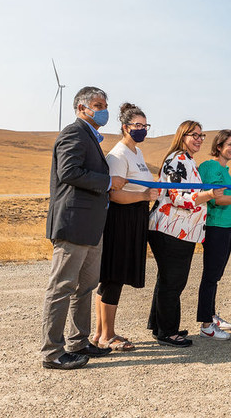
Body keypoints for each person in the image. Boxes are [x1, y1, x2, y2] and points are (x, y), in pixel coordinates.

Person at [40, 86, 125, 370]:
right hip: (74, 224)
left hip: (91, 226)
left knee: (86, 286)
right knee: (62, 287)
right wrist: (109, 182)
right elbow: (69, 172)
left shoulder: (91, 137)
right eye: (98, 104)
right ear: (81, 108)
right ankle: (52, 352)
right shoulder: (73, 133)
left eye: (105, 104)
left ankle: (79, 342)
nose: (104, 110)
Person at [147, 121, 224, 347]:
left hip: (179, 230)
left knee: (167, 279)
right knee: (173, 281)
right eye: (194, 135)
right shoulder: (178, 159)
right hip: (171, 228)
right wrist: (208, 194)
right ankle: (168, 333)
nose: (199, 139)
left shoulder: (188, 160)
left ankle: (160, 326)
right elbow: (178, 197)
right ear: (182, 136)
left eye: (202, 135)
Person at [92, 103, 159, 351]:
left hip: (135, 218)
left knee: (112, 278)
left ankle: (100, 333)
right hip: (121, 219)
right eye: (137, 125)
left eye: (144, 125)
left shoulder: (137, 154)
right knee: (113, 276)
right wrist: (143, 197)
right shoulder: (118, 155)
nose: (141, 129)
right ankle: (107, 335)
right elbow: (114, 194)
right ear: (125, 127)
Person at [195, 130, 231, 340]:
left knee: (216, 275)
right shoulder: (211, 167)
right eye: (230, 144)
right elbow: (215, 199)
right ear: (218, 146)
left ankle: (211, 315)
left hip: (226, 228)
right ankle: (206, 325)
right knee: (210, 276)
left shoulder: (225, 169)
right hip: (214, 226)